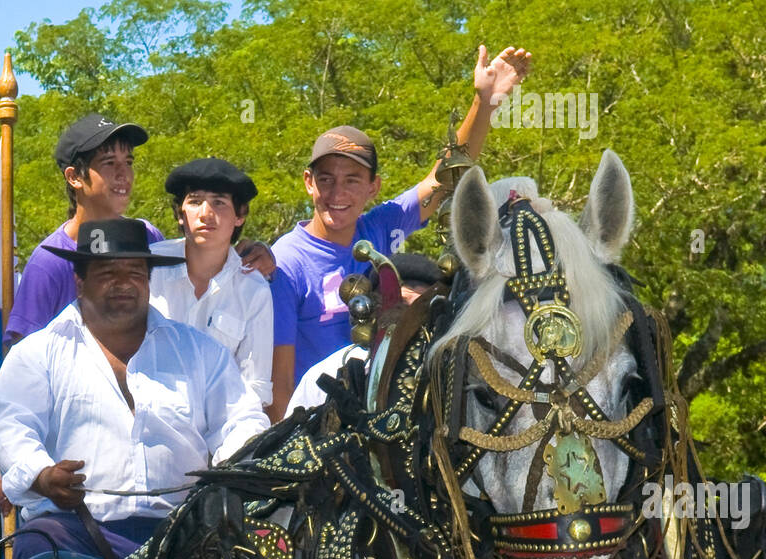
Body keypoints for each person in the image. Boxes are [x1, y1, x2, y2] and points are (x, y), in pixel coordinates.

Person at [268, 44, 532, 420]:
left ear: (373, 187)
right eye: (325, 180)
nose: (337, 193)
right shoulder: (286, 263)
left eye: (352, 180)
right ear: (308, 182)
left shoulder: (379, 226)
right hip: (317, 426)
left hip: (389, 418)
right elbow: (280, 382)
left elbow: (448, 175)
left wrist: (485, 103)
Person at [0, 218, 270, 559]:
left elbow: (240, 419)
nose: (123, 284)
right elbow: (11, 429)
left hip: (184, 531)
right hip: (77, 530)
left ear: (149, 282)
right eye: (108, 273)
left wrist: (230, 473)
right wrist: (43, 475)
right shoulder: (36, 354)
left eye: (136, 273)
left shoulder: (199, 351)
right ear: (80, 282)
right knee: (37, 547)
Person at [4, 114, 165, 350]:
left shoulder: (148, 237)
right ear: (74, 177)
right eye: (109, 163)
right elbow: (23, 360)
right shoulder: (49, 263)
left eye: (128, 162)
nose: (124, 174)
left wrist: (236, 257)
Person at [148, 158, 274, 408]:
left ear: (240, 215)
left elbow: (254, 387)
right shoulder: (149, 267)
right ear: (180, 213)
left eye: (219, 202)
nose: (205, 213)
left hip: (218, 433)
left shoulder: (253, 290)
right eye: (194, 201)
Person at [285, 253, 445, 414]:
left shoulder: (447, 376)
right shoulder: (327, 372)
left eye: (421, 305)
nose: (411, 315)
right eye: (401, 302)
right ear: (375, 306)